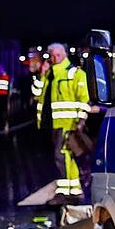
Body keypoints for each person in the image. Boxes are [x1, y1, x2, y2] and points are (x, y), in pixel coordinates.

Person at [43, 41, 93, 199]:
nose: (56, 58)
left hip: (69, 123)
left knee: (63, 156)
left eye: (59, 55)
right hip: (56, 123)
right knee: (66, 156)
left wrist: (80, 121)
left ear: (64, 55)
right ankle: (73, 190)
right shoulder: (51, 74)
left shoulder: (75, 73)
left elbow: (84, 99)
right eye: (53, 56)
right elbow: (39, 95)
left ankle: (67, 190)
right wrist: (42, 75)